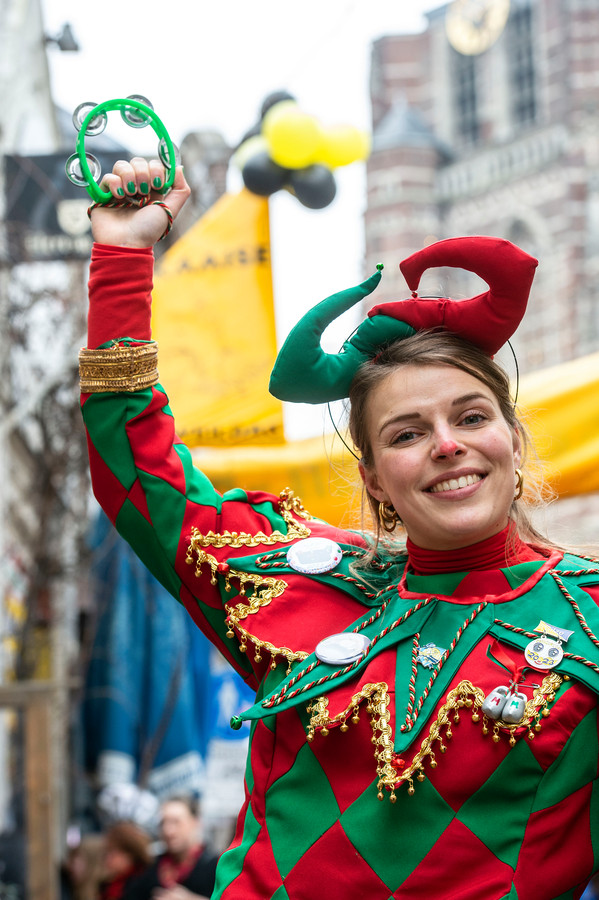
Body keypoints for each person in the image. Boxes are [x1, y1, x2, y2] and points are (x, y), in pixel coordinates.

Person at [80, 158, 599, 900]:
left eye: (471, 417)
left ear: (514, 443)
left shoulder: (592, 617)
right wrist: (124, 256)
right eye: (406, 432)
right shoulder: (293, 585)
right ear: (372, 479)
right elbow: (140, 478)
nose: (447, 444)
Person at [123, 796, 217, 900]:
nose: (168, 831)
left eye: (176, 822)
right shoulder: (148, 866)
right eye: (163, 823)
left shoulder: (216, 867)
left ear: (195, 822)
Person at [100, 822, 153, 900]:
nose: (108, 859)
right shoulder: (111, 885)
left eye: (112, 853)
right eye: (106, 853)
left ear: (129, 854)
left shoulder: (142, 884)